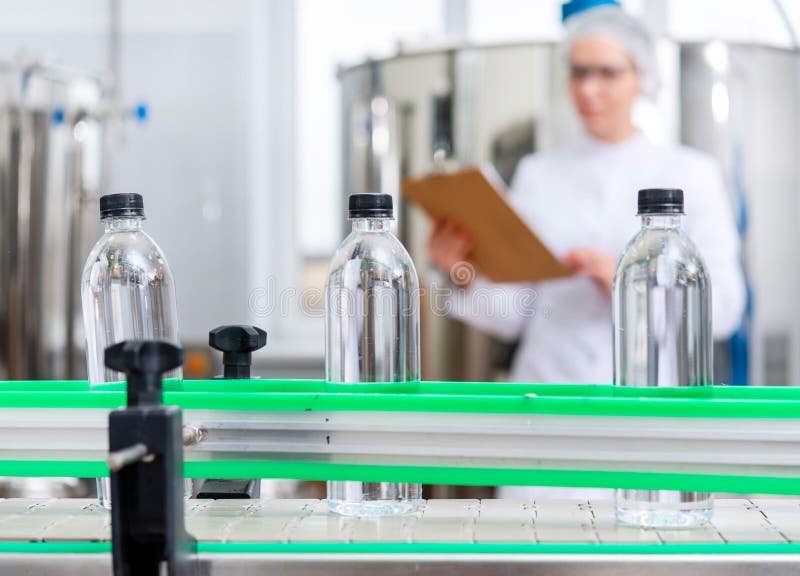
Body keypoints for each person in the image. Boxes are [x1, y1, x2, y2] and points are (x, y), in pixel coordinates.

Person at [427, 7, 746, 497]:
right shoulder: (539, 172)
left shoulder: (690, 173)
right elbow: (517, 314)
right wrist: (464, 272)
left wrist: (626, 278)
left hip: (644, 408)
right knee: (533, 558)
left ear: (643, 77)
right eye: (578, 72)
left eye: (607, 73)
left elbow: (724, 309)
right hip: (543, 404)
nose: (588, 90)